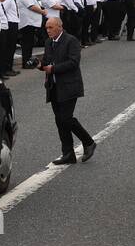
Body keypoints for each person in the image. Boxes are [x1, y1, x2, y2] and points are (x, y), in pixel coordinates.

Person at [41, 16, 96, 166]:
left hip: (69, 86)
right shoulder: (48, 43)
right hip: (53, 87)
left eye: (51, 28)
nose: (48, 31)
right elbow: (47, 61)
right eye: (46, 28)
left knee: (66, 118)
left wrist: (53, 68)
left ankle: (88, 142)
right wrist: (40, 65)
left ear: (60, 27)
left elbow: (73, 62)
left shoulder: (71, 41)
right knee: (59, 121)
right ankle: (68, 153)